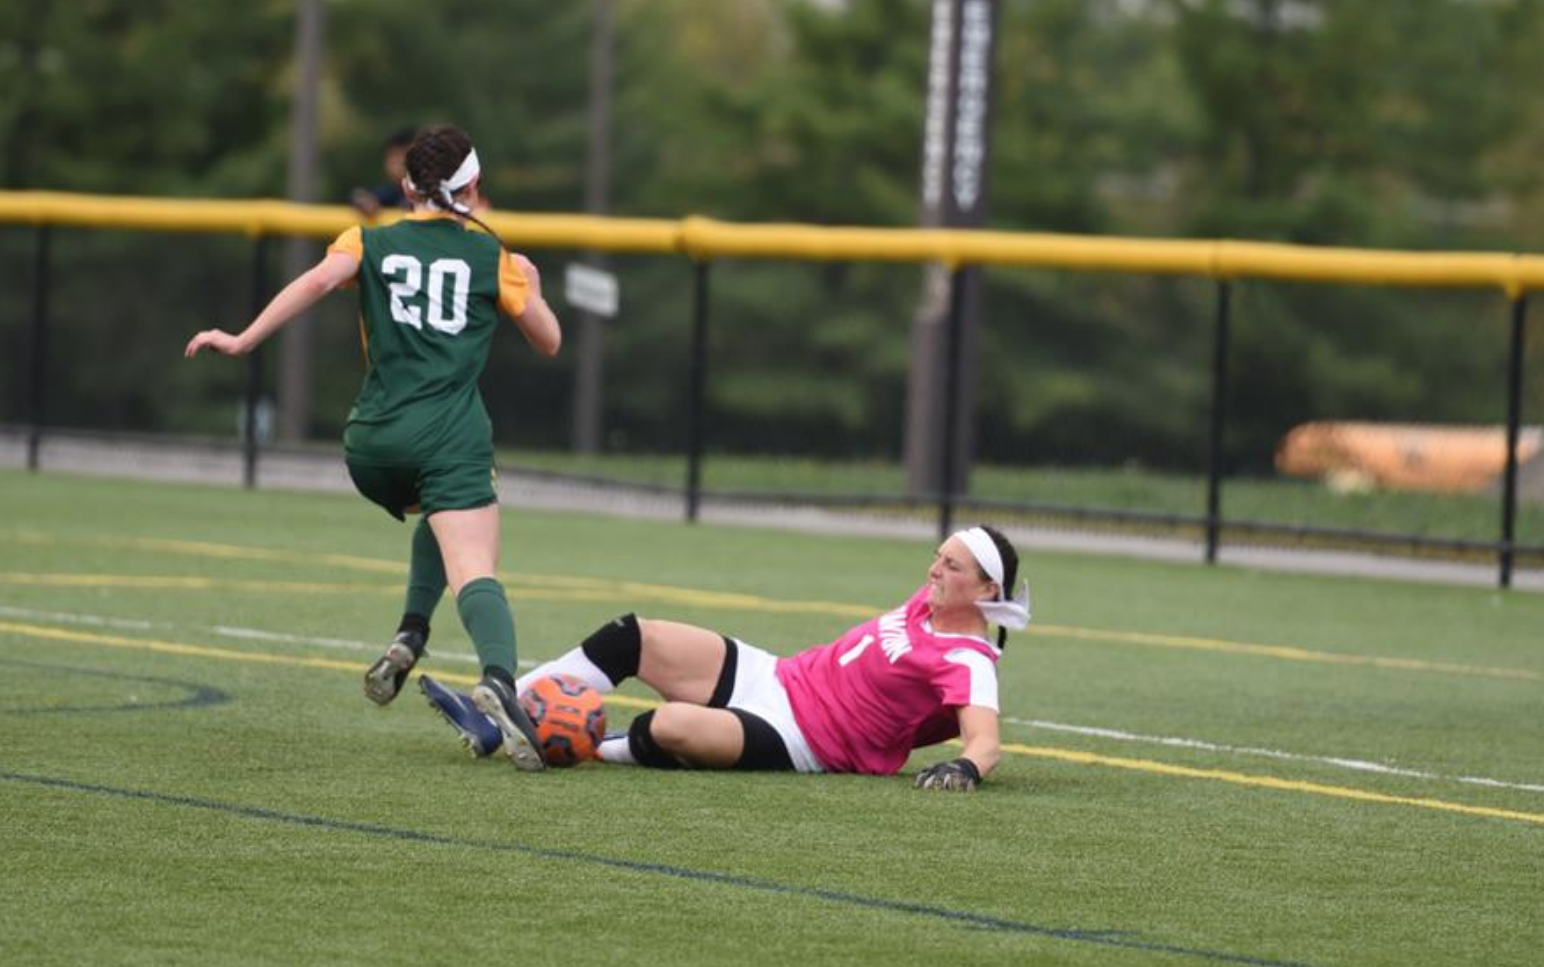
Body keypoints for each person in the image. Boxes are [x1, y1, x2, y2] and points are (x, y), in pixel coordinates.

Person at [185, 124, 562, 771]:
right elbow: (549, 341)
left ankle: (410, 634)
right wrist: (531, 281)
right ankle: (500, 681)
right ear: (473, 186)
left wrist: (244, 338)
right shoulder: (490, 254)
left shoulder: (368, 239)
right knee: (473, 561)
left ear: (409, 186)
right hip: (447, 436)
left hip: (371, 444)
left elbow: (313, 283)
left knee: (442, 513)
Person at [423, 526, 1031, 791]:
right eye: (937, 556)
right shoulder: (929, 605)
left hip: (804, 740)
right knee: (635, 634)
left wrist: (965, 770)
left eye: (951, 566)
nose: (933, 570)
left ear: (986, 592)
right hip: (779, 674)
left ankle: (574, 745)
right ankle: (494, 717)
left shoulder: (969, 657)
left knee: (666, 726)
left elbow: (985, 741)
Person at [349, 126, 416, 218]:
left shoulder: (433, 191)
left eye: (401, 155)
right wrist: (361, 200)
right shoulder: (392, 191)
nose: (396, 163)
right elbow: (365, 198)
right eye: (391, 157)